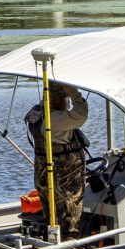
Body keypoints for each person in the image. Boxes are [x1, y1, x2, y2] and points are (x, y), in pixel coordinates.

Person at [25, 80, 89, 237]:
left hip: (44, 175)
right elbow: (81, 114)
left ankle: (53, 241)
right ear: (60, 98)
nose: (68, 103)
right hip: (63, 179)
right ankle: (68, 246)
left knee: (53, 217)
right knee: (69, 218)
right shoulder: (54, 119)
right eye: (66, 99)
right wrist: (74, 93)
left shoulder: (38, 113)